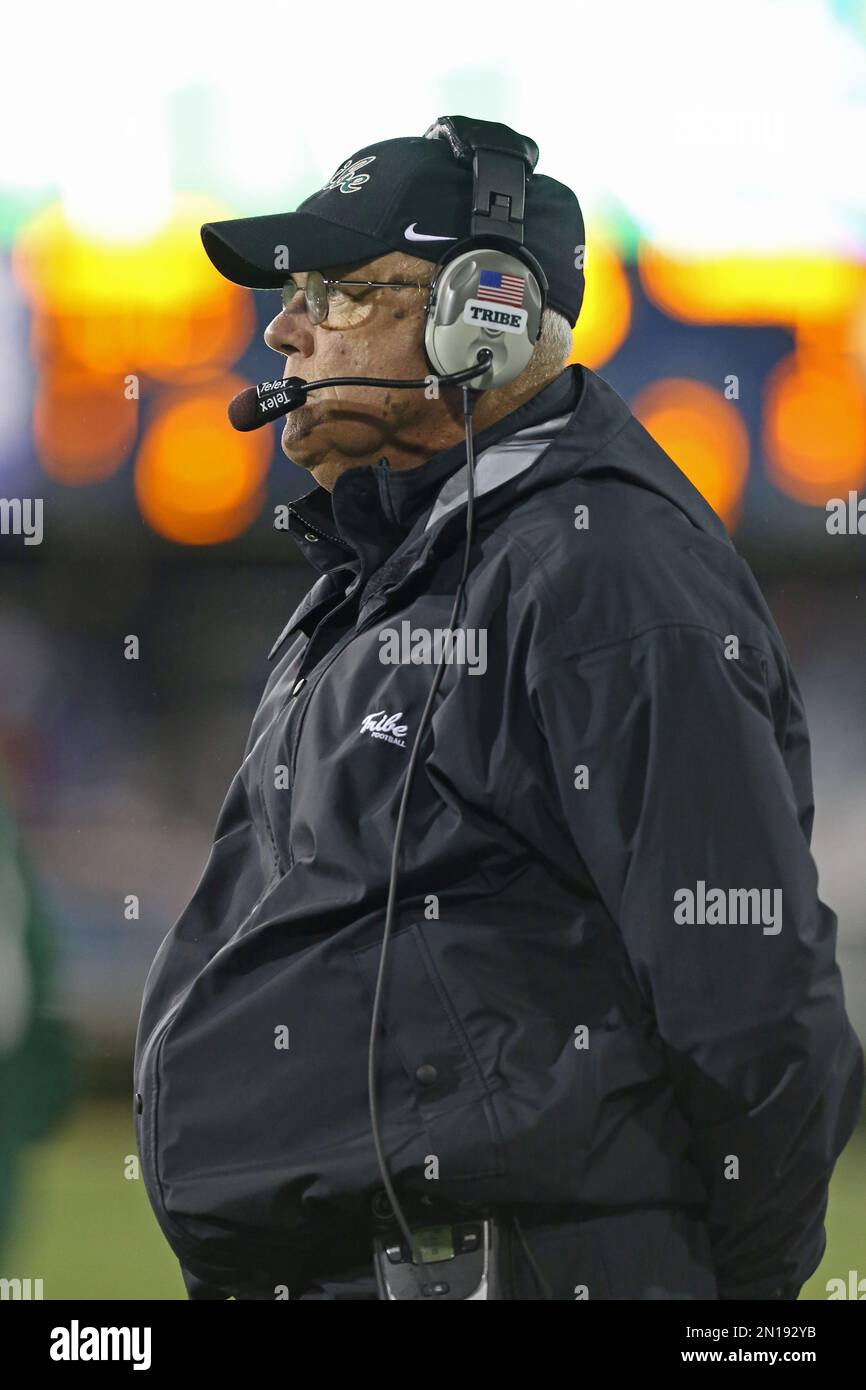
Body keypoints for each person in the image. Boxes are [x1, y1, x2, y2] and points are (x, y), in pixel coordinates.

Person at [134, 117, 864, 1301]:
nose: (283, 326)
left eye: (336, 288)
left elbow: (751, 1000)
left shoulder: (605, 573)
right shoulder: (384, 571)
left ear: (485, 314)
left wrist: (729, 1306)